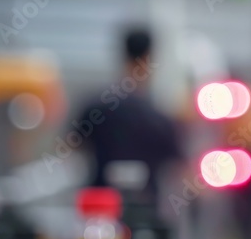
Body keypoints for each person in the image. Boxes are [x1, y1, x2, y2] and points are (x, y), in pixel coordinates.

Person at [76, 27, 182, 202]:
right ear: (149, 58)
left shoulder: (95, 108)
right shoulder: (160, 120)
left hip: (101, 208)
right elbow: (177, 169)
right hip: (145, 211)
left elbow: (73, 148)